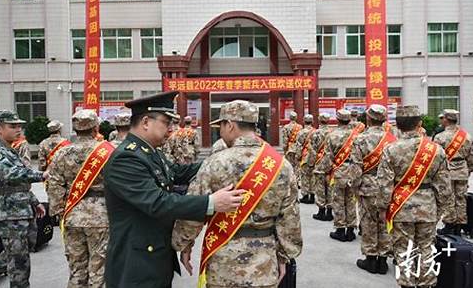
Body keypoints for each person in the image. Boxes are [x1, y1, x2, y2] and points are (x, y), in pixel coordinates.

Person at [102, 91, 246, 288]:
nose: (171, 129)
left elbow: (178, 172)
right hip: (136, 263)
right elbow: (158, 202)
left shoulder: (151, 152)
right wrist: (211, 203)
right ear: (145, 122)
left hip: (155, 255)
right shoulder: (126, 159)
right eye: (166, 122)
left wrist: (221, 161)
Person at [172, 100, 302, 288]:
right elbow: (290, 218)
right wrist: (284, 257)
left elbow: (194, 208)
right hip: (265, 264)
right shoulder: (280, 165)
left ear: (230, 125)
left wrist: (183, 244)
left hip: (223, 262)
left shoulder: (215, 162)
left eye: (221, 126)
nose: (221, 132)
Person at [378, 105, 455, 288]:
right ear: (419, 123)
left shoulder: (391, 149)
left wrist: (382, 207)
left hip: (400, 206)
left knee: (403, 251)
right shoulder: (435, 149)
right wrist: (444, 208)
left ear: (397, 124)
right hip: (428, 207)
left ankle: (406, 284)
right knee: (426, 249)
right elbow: (444, 185)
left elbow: (384, 184)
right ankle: (427, 284)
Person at [46, 109, 112, 287]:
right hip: (102, 217)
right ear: (95, 128)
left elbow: (54, 184)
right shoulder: (107, 152)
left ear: (75, 129)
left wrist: (58, 212)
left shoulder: (63, 153)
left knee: (76, 268)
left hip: (72, 215)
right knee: (99, 269)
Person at [0, 110, 47, 288]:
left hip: (20, 208)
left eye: (19, 126)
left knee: (20, 251)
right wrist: (42, 175)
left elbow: (19, 184)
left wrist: (34, 201)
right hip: (8, 211)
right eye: (13, 126)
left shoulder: (8, 149)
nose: (18, 129)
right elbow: (12, 174)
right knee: (18, 260)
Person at [351, 105, 396, 274]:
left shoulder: (360, 139)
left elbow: (356, 169)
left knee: (368, 223)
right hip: (387, 187)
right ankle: (383, 260)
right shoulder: (392, 139)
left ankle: (371, 259)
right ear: (384, 119)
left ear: (368, 119)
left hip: (367, 187)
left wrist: (355, 188)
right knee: (385, 223)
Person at [315, 109, 364, 241]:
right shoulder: (357, 135)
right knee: (351, 200)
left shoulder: (332, 135)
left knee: (338, 201)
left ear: (337, 120)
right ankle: (351, 230)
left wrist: (325, 171)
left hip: (339, 171)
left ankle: (340, 230)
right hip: (353, 171)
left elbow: (328, 157)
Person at [434, 109, 473, 235]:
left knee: (448, 198)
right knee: (461, 197)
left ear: (446, 120)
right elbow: (471, 156)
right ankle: (460, 224)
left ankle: (449, 224)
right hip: (462, 169)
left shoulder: (440, 137)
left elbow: (436, 157)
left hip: (447, 170)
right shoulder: (466, 136)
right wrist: (469, 169)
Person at [308, 113, 333, 221]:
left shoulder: (315, 133)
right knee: (331, 188)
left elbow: (312, 150)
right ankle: (330, 212)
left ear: (319, 120)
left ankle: (321, 211)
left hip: (319, 164)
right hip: (332, 165)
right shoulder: (333, 133)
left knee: (320, 188)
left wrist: (311, 164)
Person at [292, 114, 316, 204]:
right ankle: (313, 195)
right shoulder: (316, 132)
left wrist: (298, 157)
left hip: (305, 157)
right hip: (314, 157)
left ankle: (306, 196)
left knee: (305, 177)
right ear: (312, 121)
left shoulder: (301, 132)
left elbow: (299, 146)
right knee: (313, 177)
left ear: (303, 121)